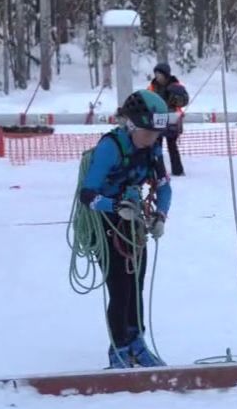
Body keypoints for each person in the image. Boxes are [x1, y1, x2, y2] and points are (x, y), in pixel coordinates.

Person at [79, 89, 173, 367]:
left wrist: (161, 216)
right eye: (147, 133)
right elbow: (88, 195)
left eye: (156, 134)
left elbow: (165, 187)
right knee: (120, 287)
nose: (152, 139)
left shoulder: (153, 148)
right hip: (106, 223)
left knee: (136, 284)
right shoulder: (111, 147)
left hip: (134, 223)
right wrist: (115, 206)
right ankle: (119, 347)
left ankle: (137, 341)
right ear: (130, 125)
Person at [148, 62, 190, 176]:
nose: (157, 77)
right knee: (157, 146)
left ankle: (177, 170)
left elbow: (184, 100)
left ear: (166, 75)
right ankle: (158, 170)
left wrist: (175, 99)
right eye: (156, 74)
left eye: (160, 74)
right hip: (157, 119)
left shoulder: (176, 86)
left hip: (172, 120)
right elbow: (147, 99)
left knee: (172, 146)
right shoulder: (152, 86)